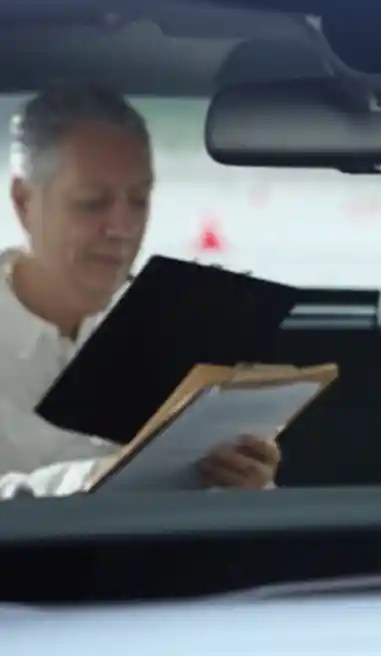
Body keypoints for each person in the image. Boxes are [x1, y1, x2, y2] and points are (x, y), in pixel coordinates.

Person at [0, 83, 281, 498]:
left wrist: (249, 485)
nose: (123, 228)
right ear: (24, 202)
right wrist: (96, 481)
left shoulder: (175, 328)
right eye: (92, 203)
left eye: (138, 201)